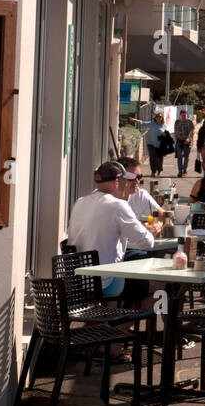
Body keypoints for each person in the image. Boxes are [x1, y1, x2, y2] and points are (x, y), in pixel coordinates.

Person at [66, 161, 158, 314]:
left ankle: (101, 328)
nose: (128, 185)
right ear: (117, 182)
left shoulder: (80, 202)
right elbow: (147, 243)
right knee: (162, 287)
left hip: (78, 281)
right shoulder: (118, 206)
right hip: (106, 284)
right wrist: (153, 231)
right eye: (126, 181)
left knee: (133, 266)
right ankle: (117, 331)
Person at [118, 157, 164, 222]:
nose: (137, 181)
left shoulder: (140, 195)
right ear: (119, 178)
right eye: (131, 177)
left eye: (139, 177)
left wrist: (156, 226)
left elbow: (163, 217)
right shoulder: (108, 201)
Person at [173, 108, 195, 177]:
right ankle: (180, 171)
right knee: (179, 157)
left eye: (185, 115)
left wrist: (189, 139)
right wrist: (177, 139)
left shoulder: (189, 122)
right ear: (180, 115)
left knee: (186, 157)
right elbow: (175, 131)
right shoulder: (177, 122)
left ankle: (185, 169)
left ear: (187, 115)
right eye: (182, 115)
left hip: (187, 142)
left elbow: (192, 131)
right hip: (179, 141)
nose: (183, 117)